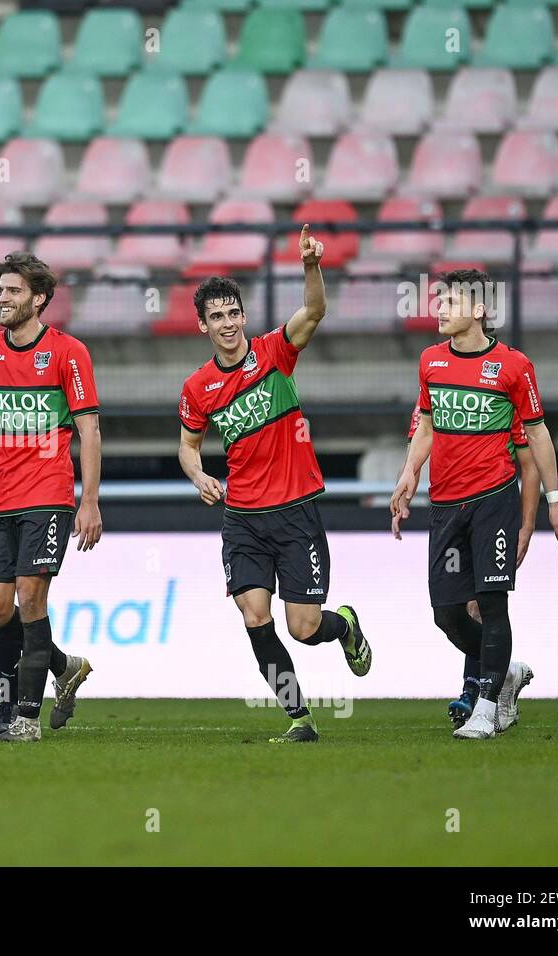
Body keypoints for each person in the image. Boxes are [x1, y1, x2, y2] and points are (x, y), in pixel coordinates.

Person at [176, 227, 372, 744]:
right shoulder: (198, 388)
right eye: (215, 316)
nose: (226, 323)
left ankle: (345, 626)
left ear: (242, 314)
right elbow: (187, 447)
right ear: (202, 325)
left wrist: (311, 267)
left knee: (304, 628)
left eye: (232, 312)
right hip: (242, 516)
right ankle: (298, 717)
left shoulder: (274, 353)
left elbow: (314, 313)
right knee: (253, 612)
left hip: (295, 511)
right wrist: (199, 476)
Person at [392, 269, 558, 739]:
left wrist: (553, 503)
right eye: (439, 301)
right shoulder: (431, 361)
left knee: (491, 603)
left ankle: (488, 707)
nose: (440, 310)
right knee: (447, 613)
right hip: (445, 503)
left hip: (493, 498)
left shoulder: (513, 366)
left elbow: (536, 435)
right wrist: (408, 476)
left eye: (451, 302)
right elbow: (426, 427)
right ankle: (505, 670)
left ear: (477, 310)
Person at [0, 253, 101, 743]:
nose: (3, 299)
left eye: (12, 291)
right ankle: (64, 664)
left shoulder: (68, 352)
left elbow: (89, 431)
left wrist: (89, 501)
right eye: (0, 291)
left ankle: (27, 720)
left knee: (31, 599)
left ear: (38, 299)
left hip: (47, 495)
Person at [394, 398, 540, 730]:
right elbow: (418, 446)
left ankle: (476, 691)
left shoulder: (499, 390)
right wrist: (406, 487)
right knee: (449, 613)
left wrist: (528, 523)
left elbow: (529, 458)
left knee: (483, 603)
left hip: (490, 507)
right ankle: (505, 672)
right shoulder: (431, 389)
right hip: (448, 510)